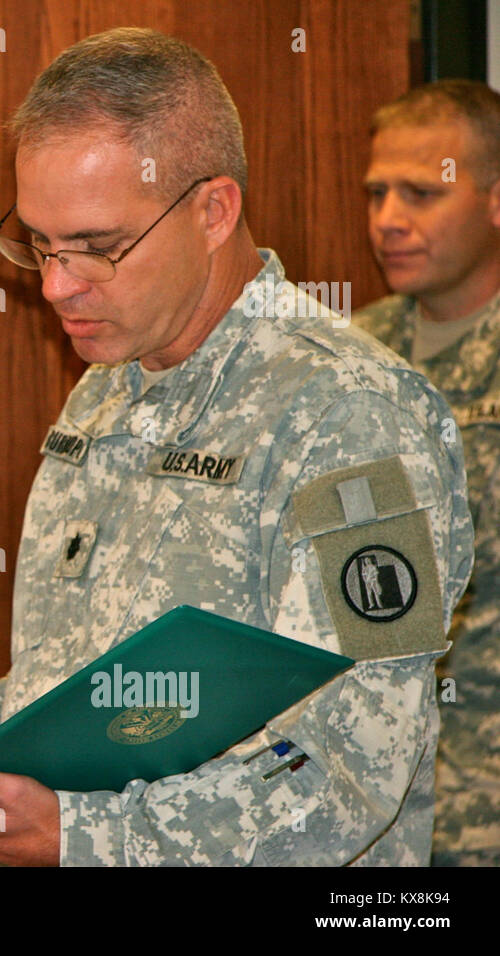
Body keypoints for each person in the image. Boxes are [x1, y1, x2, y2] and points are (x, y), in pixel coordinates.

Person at [0, 28, 473, 866]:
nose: (57, 284)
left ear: (213, 211)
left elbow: (345, 770)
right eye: (39, 244)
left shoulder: (351, 414)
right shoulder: (111, 381)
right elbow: (113, 699)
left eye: (97, 247)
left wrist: (80, 838)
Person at [353, 79, 500, 867]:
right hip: (366, 790)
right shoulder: (348, 358)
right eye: (377, 193)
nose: (387, 220)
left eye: (422, 192)